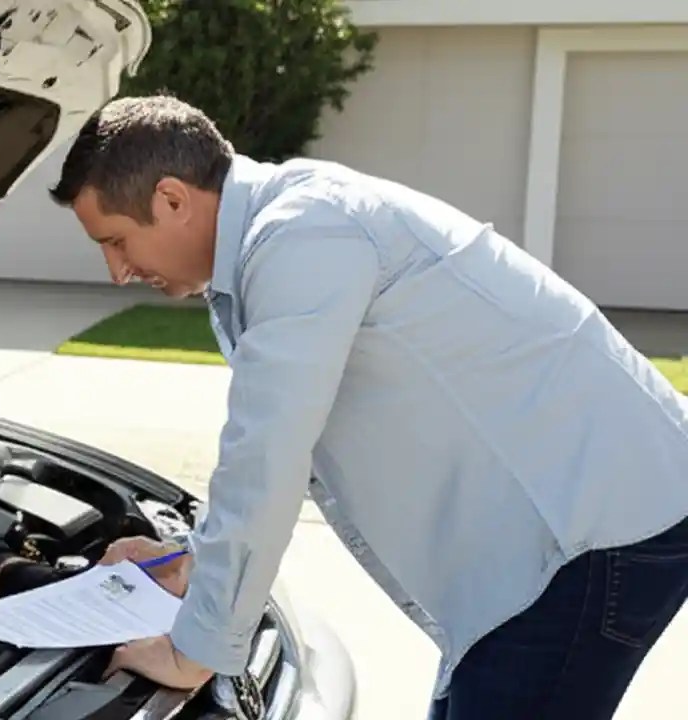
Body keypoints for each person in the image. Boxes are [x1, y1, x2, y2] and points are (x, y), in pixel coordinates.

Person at [47, 95, 688, 719]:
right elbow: (272, 444)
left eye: (117, 240)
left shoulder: (304, 234)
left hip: (595, 530)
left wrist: (196, 651)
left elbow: (267, 454)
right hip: (564, 527)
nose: (116, 271)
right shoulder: (287, 229)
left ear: (172, 199)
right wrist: (187, 559)